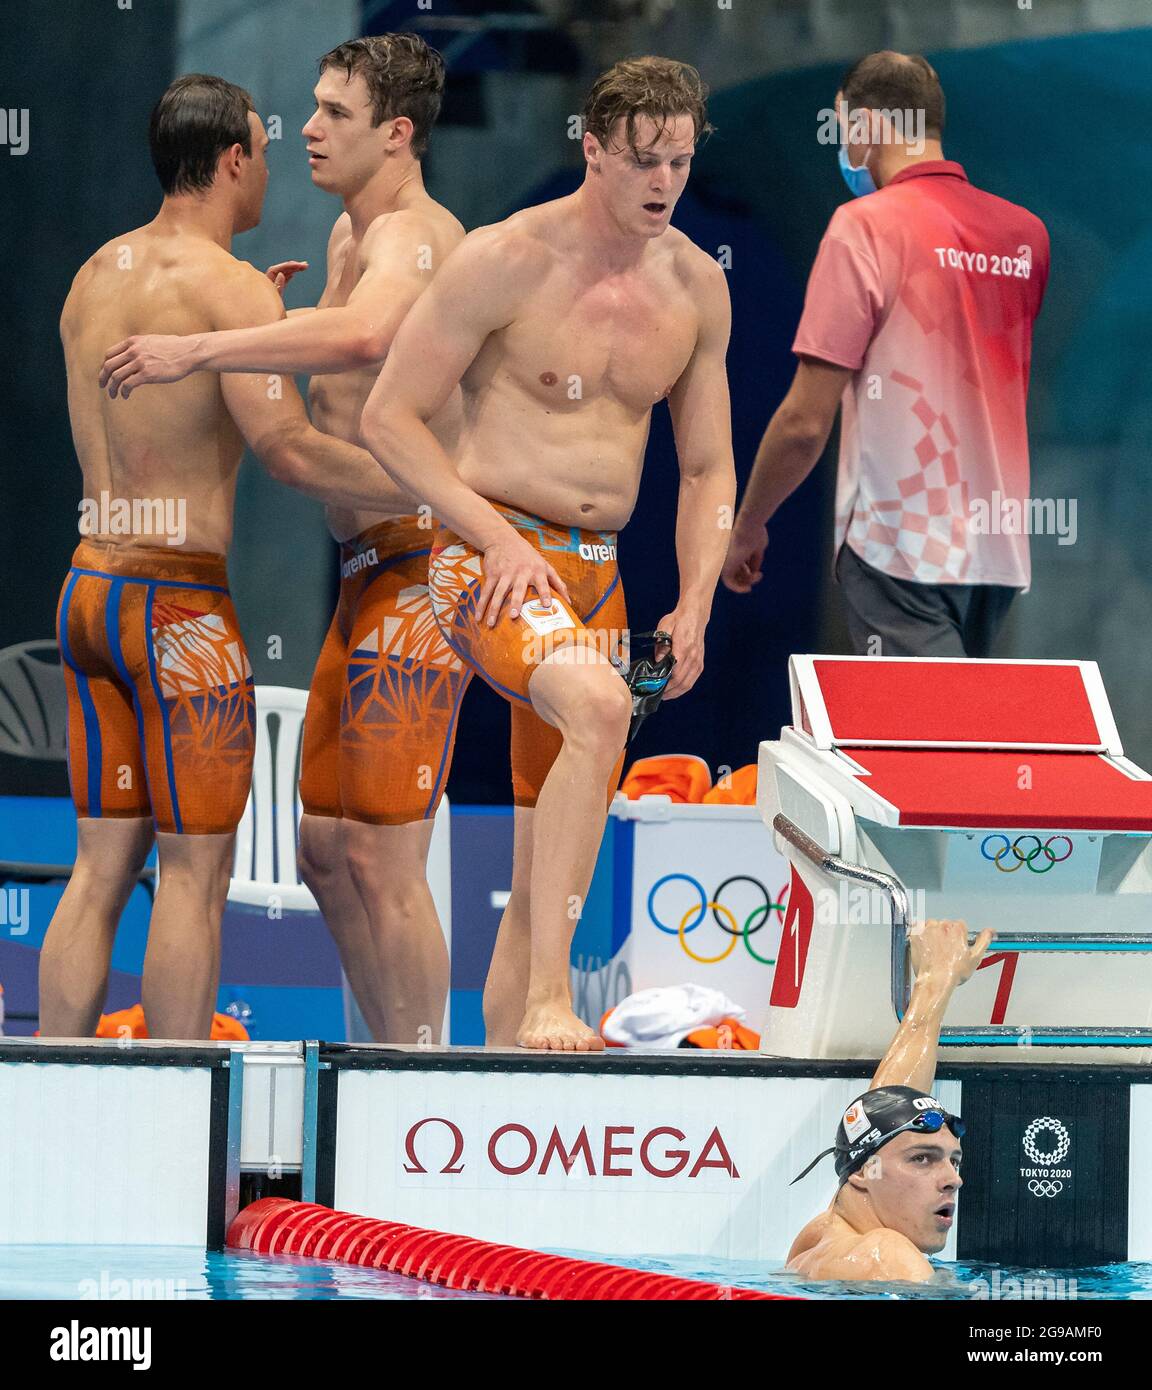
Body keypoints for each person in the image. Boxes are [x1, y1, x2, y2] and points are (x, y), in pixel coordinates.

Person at [360, 56, 736, 1050]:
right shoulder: (504, 258)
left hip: (597, 572)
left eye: (682, 161)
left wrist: (694, 598)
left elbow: (707, 472)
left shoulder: (697, 285)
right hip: (486, 553)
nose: (664, 182)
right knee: (603, 705)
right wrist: (485, 532)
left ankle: (508, 1062)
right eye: (645, 160)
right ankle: (548, 1002)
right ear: (594, 147)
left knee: (547, 844)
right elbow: (388, 417)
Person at [99, 36, 466, 1044]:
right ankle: (390, 1063)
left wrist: (204, 344)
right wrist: (281, 311)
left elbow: (360, 342)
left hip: (426, 566)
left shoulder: (415, 236)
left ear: (397, 133)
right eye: (309, 108)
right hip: (363, 571)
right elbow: (337, 360)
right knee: (322, 848)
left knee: (385, 859)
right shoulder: (353, 243)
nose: (305, 129)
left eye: (333, 114)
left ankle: (424, 1081)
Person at [45, 74, 401, 1040]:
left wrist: (251, 336)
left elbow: (164, 417)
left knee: (96, 871)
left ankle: (47, 1089)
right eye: (267, 151)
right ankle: (171, 1109)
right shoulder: (227, 287)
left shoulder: (95, 272)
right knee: (194, 876)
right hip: (176, 613)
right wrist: (425, 488)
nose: (273, 168)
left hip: (89, 592)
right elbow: (291, 452)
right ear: (235, 159)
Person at [724, 51, 1049, 658]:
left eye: (844, 129)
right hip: (996, 554)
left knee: (926, 744)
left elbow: (804, 419)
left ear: (867, 125)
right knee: (966, 738)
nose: (844, 148)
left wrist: (747, 526)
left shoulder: (864, 227)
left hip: (900, 546)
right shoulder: (1026, 235)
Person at [787, 918, 992, 1282]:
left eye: (953, 1161)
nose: (953, 1180)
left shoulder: (819, 1238)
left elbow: (880, 1117)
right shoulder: (887, 1256)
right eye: (922, 1160)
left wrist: (935, 985)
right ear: (865, 1172)